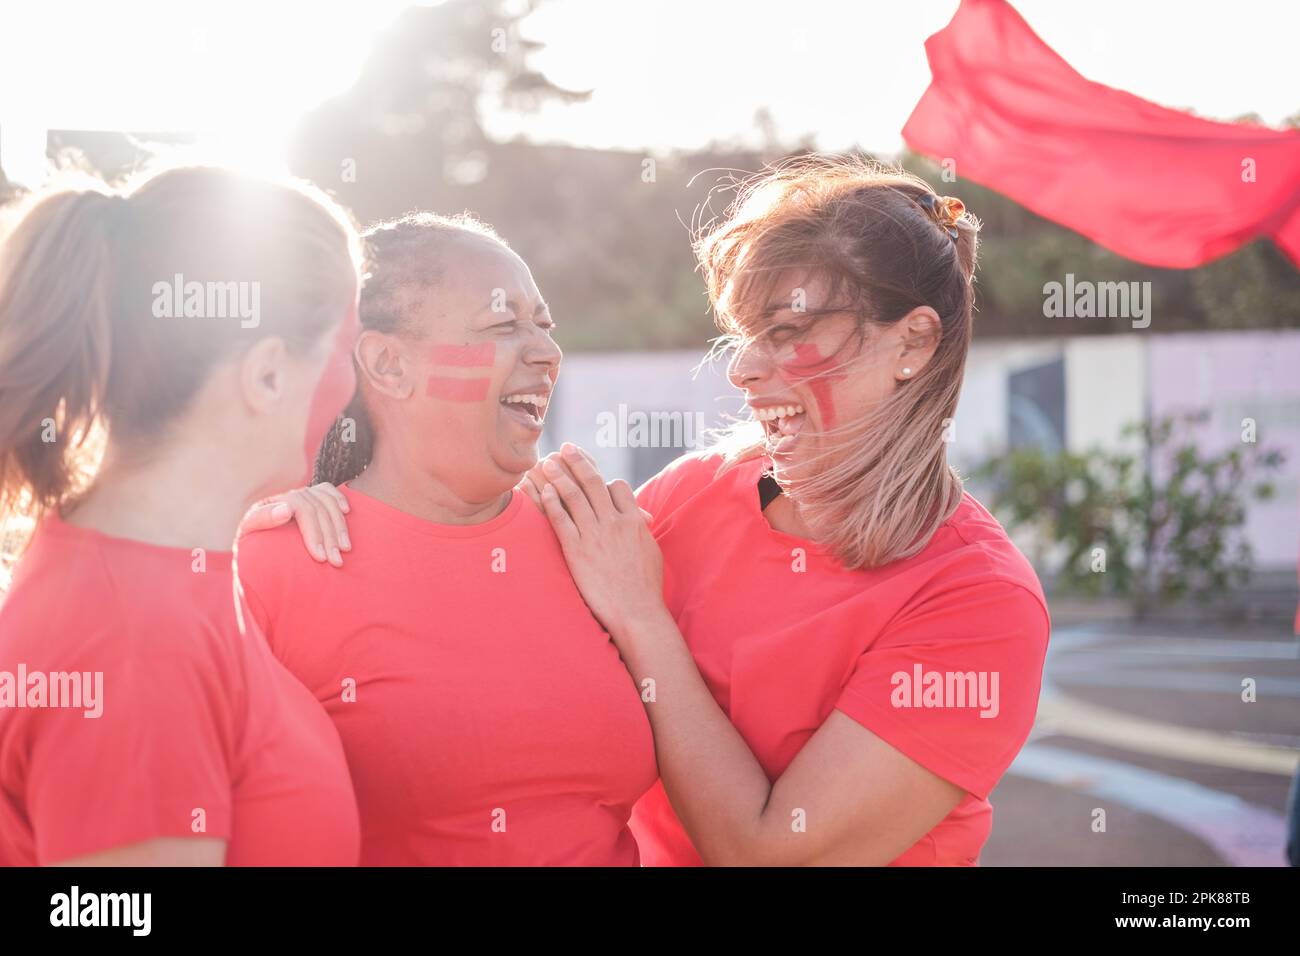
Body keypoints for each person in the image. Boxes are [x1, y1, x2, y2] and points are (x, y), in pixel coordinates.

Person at [526, 158, 1051, 865]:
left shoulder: (980, 599)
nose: (741, 367)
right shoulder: (691, 495)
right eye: (747, 332)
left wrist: (642, 617)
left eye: (787, 330)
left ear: (914, 343)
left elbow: (770, 853)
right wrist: (337, 502)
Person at [234, 213, 657, 865]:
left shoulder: (596, 537)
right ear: (387, 364)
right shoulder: (269, 563)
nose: (547, 353)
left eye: (544, 324)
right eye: (503, 326)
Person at [0, 166, 364, 865]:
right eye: (344, 349)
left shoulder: (159, 578)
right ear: (266, 375)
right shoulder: (134, 638)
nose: (356, 386)